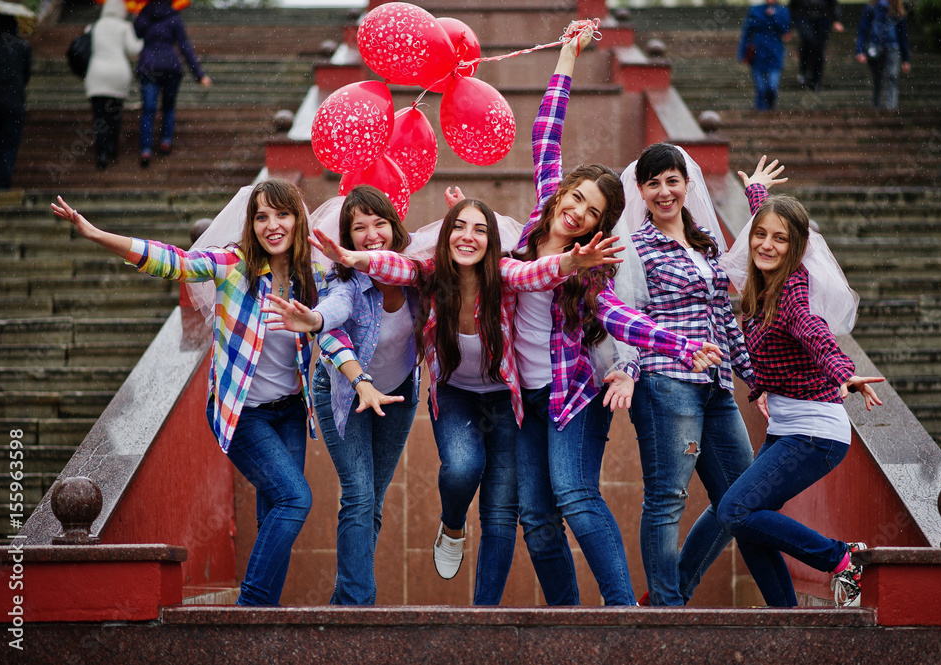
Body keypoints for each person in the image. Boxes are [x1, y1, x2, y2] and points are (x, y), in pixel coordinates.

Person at [51, 179, 351, 607]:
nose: (272, 225)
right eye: (261, 216)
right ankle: (252, 609)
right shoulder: (233, 266)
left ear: (297, 221)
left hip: (288, 413)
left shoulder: (312, 277)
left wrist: (359, 379)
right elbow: (172, 261)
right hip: (241, 413)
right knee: (295, 497)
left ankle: (261, 619)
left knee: (274, 512)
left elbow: (336, 324)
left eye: (282, 215)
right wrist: (98, 234)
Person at [313, 196, 623, 605]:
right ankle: (453, 524)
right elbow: (396, 266)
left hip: (503, 401)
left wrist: (571, 263)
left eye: (480, 229)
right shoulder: (430, 274)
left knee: (500, 513)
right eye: (459, 227)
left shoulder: (505, 274)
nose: (468, 237)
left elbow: (536, 273)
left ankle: (485, 616)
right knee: (462, 467)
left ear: (491, 240)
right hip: (456, 396)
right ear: (446, 234)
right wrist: (354, 258)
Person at [512, 29, 721, 606]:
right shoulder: (533, 229)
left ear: (601, 226)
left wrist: (681, 347)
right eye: (576, 198)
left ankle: (622, 608)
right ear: (561, 195)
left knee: (575, 496)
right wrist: (567, 56)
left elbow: (622, 317)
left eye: (594, 212)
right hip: (520, 396)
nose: (578, 212)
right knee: (535, 515)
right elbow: (545, 133)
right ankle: (567, 618)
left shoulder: (586, 269)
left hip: (575, 394)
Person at [613, 144, 790, 607]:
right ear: (642, 191)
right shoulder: (636, 248)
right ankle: (666, 611)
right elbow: (629, 319)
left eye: (672, 180)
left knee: (740, 501)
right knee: (667, 498)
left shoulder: (706, 241)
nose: (664, 191)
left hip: (716, 389)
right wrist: (629, 370)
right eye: (653, 183)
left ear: (687, 184)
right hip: (666, 384)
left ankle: (671, 595)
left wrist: (757, 381)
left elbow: (726, 319)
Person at [714, 158, 885, 608]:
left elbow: (814, 332)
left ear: (797, 249)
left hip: (815, 434)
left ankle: (840, 558)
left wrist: (844, 371)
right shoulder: (764, 283)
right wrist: (757, 193)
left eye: (780, 239)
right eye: (760, 233)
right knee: (748, 519)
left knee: (734, 510)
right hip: (788, 429)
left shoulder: (791, 293)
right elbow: (768, 224)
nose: (766, 245)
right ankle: (786, 617)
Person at [259, 185, 418, 606]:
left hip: (397, 396)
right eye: (359, 227)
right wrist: (312, 318)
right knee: (360, 496)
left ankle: (342, 607)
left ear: (393, 226)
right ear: (347, 239)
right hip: (343, 394)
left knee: (373, 504)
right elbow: (334, 314)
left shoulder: (416, 269)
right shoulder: (343, 278)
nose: (370, 234)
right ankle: (356, 611)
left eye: (379, 223)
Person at [134, 0, 212, 167]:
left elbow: (137, 33)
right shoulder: (174, 17)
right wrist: (199, 75)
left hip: (149, 67)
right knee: (168, 107)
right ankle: (166, 141)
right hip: (171, 66)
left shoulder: (143, 15)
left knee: (148, 109)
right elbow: (185, 47)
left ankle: (146, 149)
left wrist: (141, 15)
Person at [85, 0, 143, 170]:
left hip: (96, 76)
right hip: (118, 75)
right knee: (114, 115)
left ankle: (101, 152)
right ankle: (112, 147)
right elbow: (134, 49)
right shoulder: (124, 27)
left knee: (99, 116)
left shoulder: (93, 26)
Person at [0, 13, 31, 190]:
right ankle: (2, 184)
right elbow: (25, 74)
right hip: (14, 102)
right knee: (9, 144)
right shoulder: (22, 46)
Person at [855, 0, 911, 111]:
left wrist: (906, 59)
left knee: (892, 76)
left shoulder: (896, 8)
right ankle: (876, 105)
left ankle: (891, 106)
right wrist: (860, 50)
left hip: (893, 48)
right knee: (877, 78)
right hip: (875, 47)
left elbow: (902, 35)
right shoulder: (871, 8)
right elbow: (863, 29)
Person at [739, 0, 791, 111]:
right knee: (761, 88)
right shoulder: (755, 10)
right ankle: (760, 111)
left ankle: (770, 108)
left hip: (775, 52)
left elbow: (784, 29)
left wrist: (774, 16)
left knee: (772, 86)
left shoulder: (782, 10)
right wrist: (742, 53)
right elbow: (747, 32)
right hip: (757, 52)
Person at [790, 0, 843, 91]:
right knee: (809, 42)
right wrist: (790, 23)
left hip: (822, 18)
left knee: (818, 48)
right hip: (803, 17)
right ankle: (805, 70)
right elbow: (792, 6)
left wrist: (836, 19)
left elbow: (833, 4)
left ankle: (816, 78)